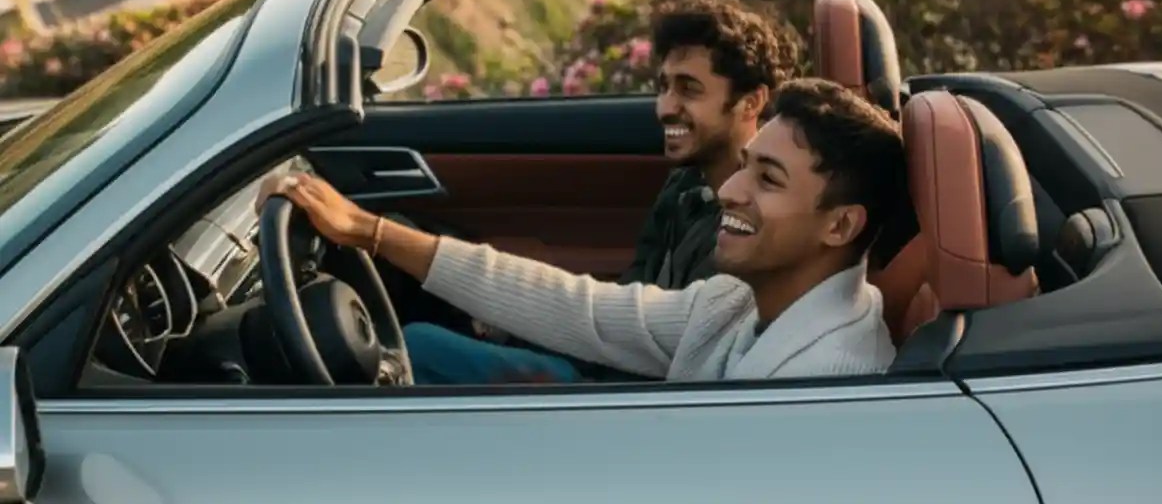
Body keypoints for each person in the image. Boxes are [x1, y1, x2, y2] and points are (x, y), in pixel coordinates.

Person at [258, 78, 906, 382]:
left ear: (840, 224)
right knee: (422, 350)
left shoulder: (825, 380)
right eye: (744, 166)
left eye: (767, 179)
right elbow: (580, 308)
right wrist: (370, 231)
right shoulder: (736, 303)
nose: (731, 190)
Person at [396, 0, 802, 384]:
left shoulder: (751, 226)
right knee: (431, 300)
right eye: (663, 87)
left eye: (689, 89)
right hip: (610, 356)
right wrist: (514, 320)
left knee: (419, 347)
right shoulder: (685, 184)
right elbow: (629, 297)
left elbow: (673, 351)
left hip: (624, 392)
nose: (664, 108)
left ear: (751, 103)